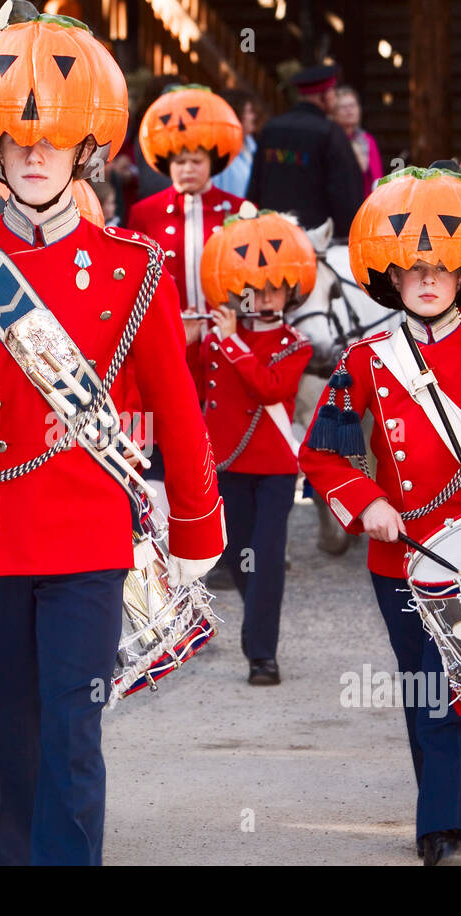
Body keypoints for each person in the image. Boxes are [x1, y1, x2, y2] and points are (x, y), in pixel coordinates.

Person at [0, 3, 224, 866]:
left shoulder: (134, 266)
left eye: (53, 137)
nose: (34, 153)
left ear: (86, 148)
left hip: (85, 535)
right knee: (8, 740)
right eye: (16, 136)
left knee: (72, 735)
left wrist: (194, 524)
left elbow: (176, 403)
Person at [299, 165, 461, 866]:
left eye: (442, 266)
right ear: (389, 276)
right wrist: (368, 502)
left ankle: (445, 835)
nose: (426, 278)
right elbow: (321, 454)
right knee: (424, 686)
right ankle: (437, 813)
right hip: (399, 552)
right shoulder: (364, 360)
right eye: (412, 268)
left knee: (457, 686)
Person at [192, 206, 313, 685]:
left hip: (276, 468)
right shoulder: (217, 339)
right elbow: (198, 391)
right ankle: (256, 622)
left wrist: (230, 342)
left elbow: (268, 388)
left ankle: (262, 653)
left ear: (291, 288)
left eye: (274, 288)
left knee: (265, 557)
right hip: (228, 464)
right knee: (238, 556)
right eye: (255, 289)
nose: (264, 298)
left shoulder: (295, 343)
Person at [127, 85, 244, 314]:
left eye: (196, 161)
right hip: (169, 330)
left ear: (212, 162)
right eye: (180, 163)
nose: (188, 169)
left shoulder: (239, 210)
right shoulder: (144, 212)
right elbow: (135, 281)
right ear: (168, 165)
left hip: (223, 333)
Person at [246, 64, 364, 235]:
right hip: (316, 240)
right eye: (332, 92)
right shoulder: (330, 133)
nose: (334, 98)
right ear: (323, 95)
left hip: (270, 235)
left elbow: (254, 188)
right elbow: (346, 194)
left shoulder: (271, 129)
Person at [333, 86, 383, 200]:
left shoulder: (367, 140)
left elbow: (377, 178)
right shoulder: (331, 140)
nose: (349, 110)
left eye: (352, 106)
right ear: (334, 112)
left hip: (367, 203)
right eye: (343, 107)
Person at [211, 89, 259, 198]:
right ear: (235, 114)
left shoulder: (252, 146)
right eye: (249, 111)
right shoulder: (219, 153)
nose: (254, 116)